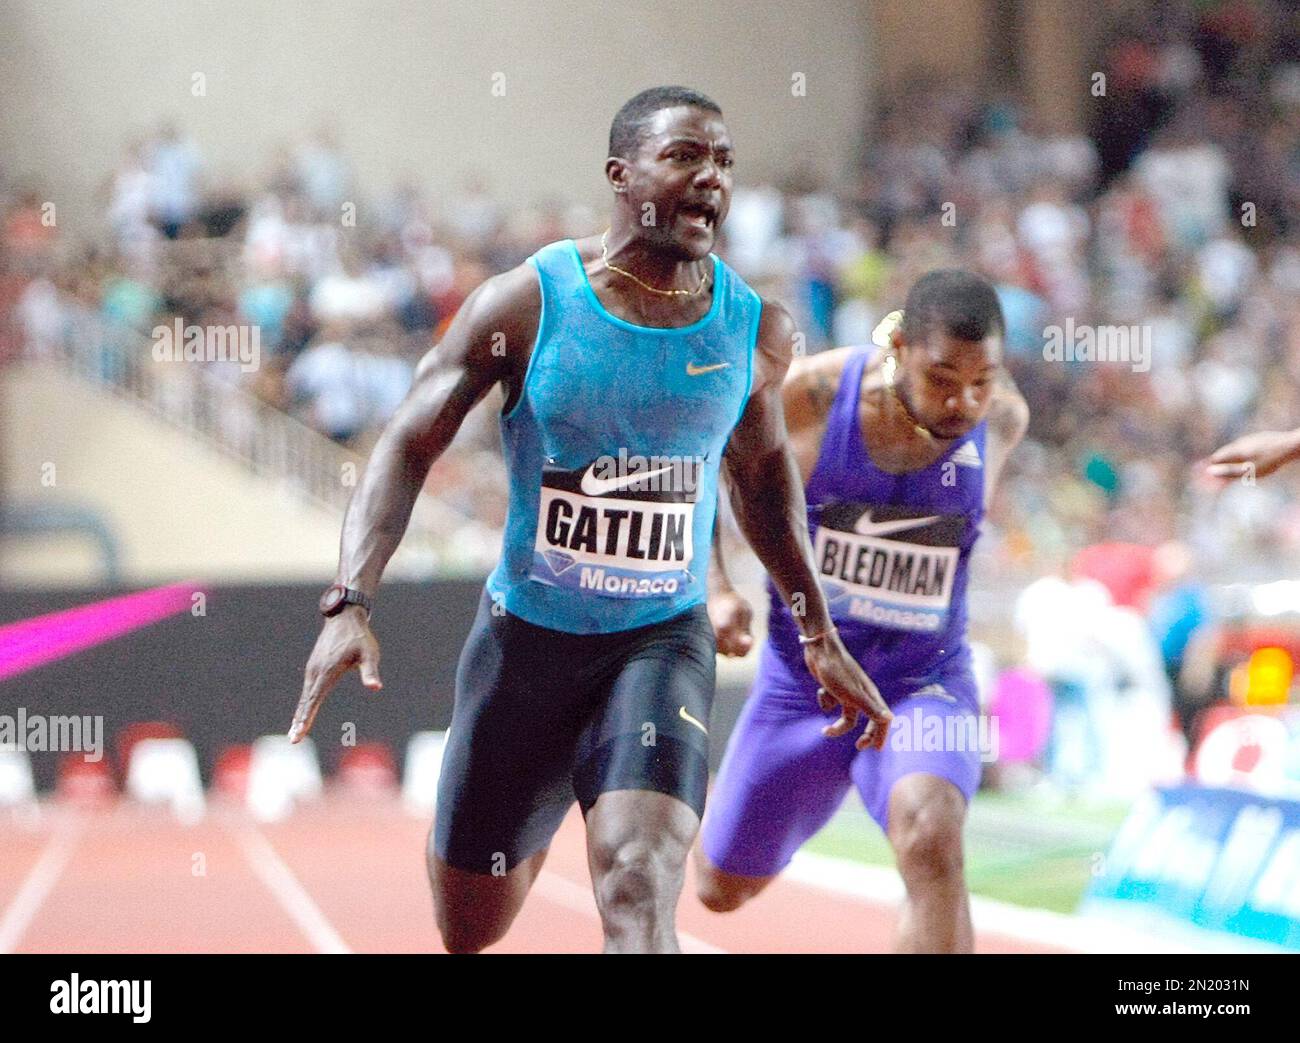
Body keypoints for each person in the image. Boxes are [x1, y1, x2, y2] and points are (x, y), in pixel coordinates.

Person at [287, 86, 890, 954]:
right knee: (470, 926)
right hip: (524, 648)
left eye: (723, 162)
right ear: (621, 174)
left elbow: (760, 476)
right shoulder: (526, 305)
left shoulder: (754, 327)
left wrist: (817, 626)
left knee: (638, 881)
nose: (711, 179)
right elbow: (406, 444)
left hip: (658, 643)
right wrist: (350, 603)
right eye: (685, 156)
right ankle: (518, 821)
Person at [696, 270, 1029, 953]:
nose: (964, 400)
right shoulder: (814, 396)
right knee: (718, 887)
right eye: (941, 377)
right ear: (900, 346)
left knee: (931, 835)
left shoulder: (1003, 420)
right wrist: (715, 585)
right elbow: (698, 459)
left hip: (924, 684)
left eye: (982, 379)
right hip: (802, 688)